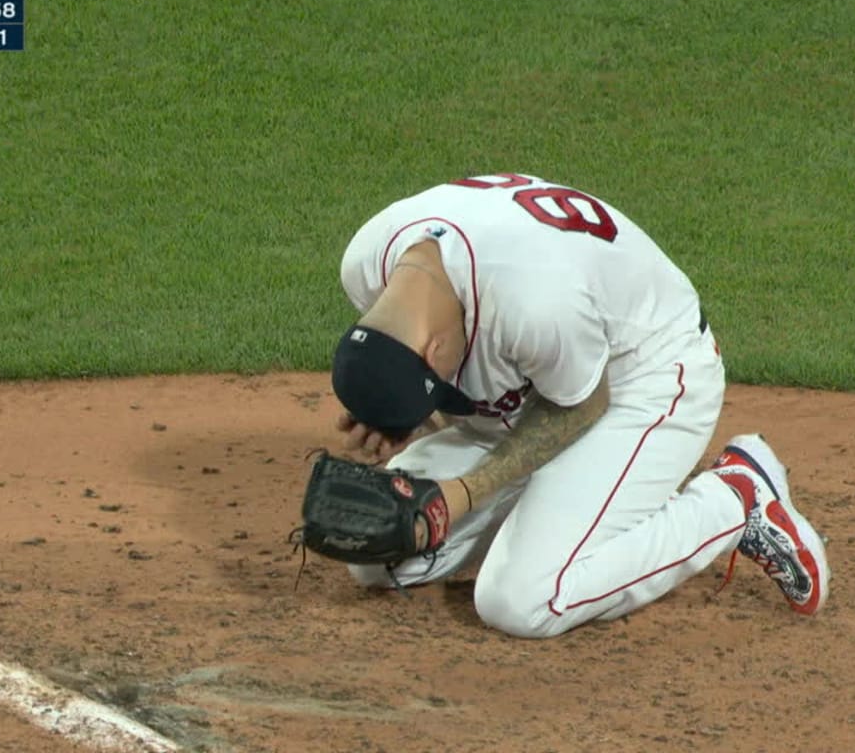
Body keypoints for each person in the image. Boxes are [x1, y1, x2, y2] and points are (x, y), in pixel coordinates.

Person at [328, 173, 829, 638]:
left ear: (432, 352)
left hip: (642, 376)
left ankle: (733, 498)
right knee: (382, 555)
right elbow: (409, 359)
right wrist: (399, 411)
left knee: (520, 600)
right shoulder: (367, 264)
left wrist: (465, 491)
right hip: (539, 376)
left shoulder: (534, 300)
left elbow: (582, 406)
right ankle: (552, 510)